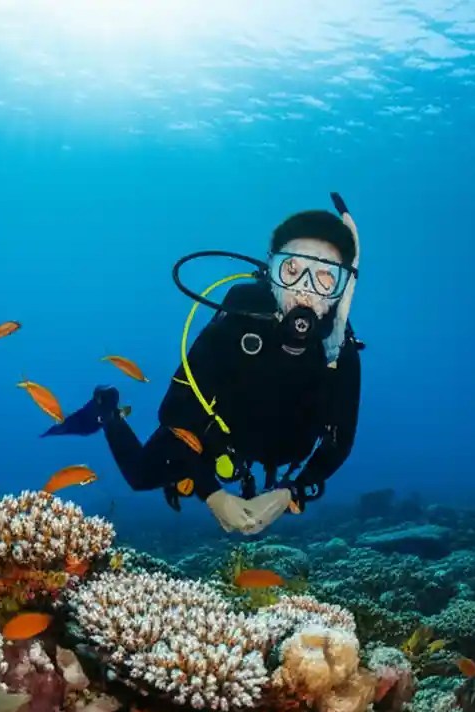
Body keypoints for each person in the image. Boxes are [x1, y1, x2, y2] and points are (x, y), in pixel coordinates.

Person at [43, 193, 364, 535]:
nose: (305, 291)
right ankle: (106, 407)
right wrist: (210, 492)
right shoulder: (239, 320)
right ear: (271, 272)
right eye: (293, 270)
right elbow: (174, 413)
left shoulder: (339, 351)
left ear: (341, 290)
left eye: (326, 277)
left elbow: (339, 442)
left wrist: (293, 491)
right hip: (219, 436)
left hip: (284, 448)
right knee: (140, 476)